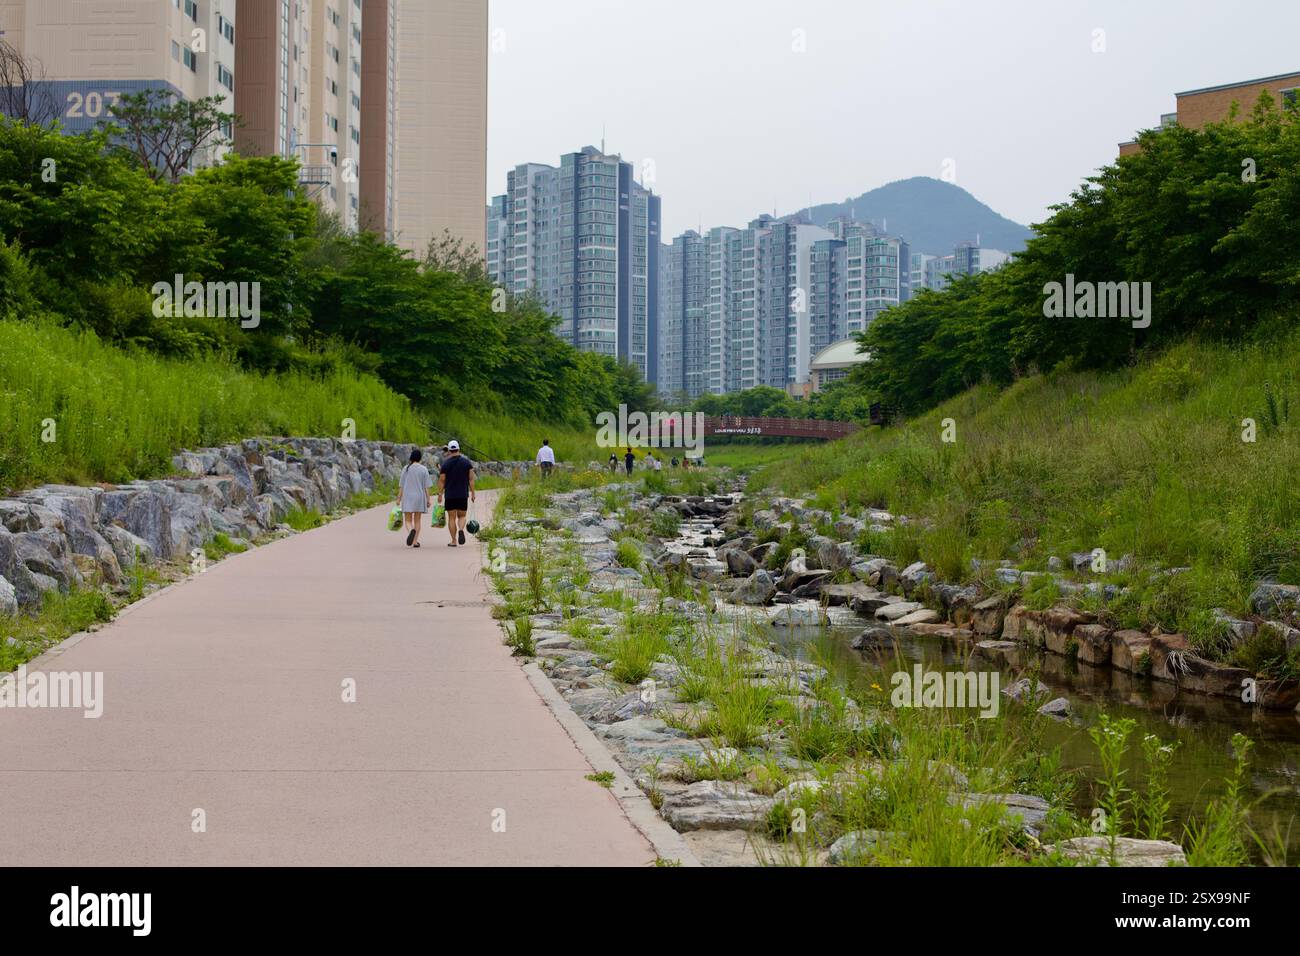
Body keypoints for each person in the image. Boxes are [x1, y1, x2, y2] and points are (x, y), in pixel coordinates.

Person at [437, 440, 477, 547]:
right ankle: (460, 530)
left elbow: (441, 480)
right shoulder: (466, 462)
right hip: (463, 494)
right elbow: (471, 479)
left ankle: (453, 540)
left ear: (449, 451)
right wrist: (473, 493)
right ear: (458, 449)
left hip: (450, 495)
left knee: (451, 518)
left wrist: (440, 494)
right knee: (462, 516)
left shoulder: (445, 464)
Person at [397, 448, 432, 548]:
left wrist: (398, 498)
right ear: (420, 458)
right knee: (417, 520)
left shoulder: (406, 468)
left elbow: (402, 485)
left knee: (408, 520)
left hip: (408, 496)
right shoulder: (424, 469)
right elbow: (426, 487)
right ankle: (415, 542)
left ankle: (411, 530)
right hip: (420, 497)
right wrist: (428, 499)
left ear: (411, 457)